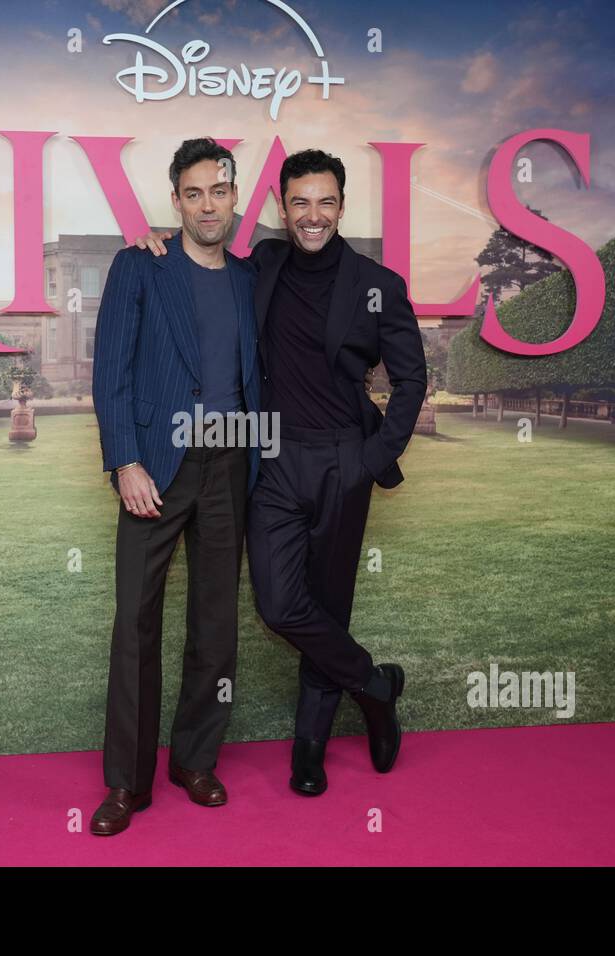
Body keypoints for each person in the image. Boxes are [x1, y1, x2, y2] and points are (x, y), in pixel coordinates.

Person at [133, 148, 424, 796]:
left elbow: (412, 381)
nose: (312, 215)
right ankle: (374, 684)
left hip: (344, 460)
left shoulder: (378, 285)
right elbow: (199, 259)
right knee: (279, 603)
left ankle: (311, 746)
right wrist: (156, 245)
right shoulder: (262, 265)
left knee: (329, 604)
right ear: (283, 210)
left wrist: (372, 459)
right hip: (270, 457)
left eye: (325, 202)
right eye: (300, 202)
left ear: (341, 207)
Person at [89, 138, 261, 835]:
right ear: (177, 201)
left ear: (234, 197)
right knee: (136, 621)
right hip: (155, 467)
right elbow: (111, 371)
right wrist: (124, 460)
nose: (207, 205)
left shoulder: (251, 277)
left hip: (231, 464)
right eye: (194, 193)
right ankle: (126, 783)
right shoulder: (140, 265)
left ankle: (195, 760)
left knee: (215, 624)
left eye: (218, 191)